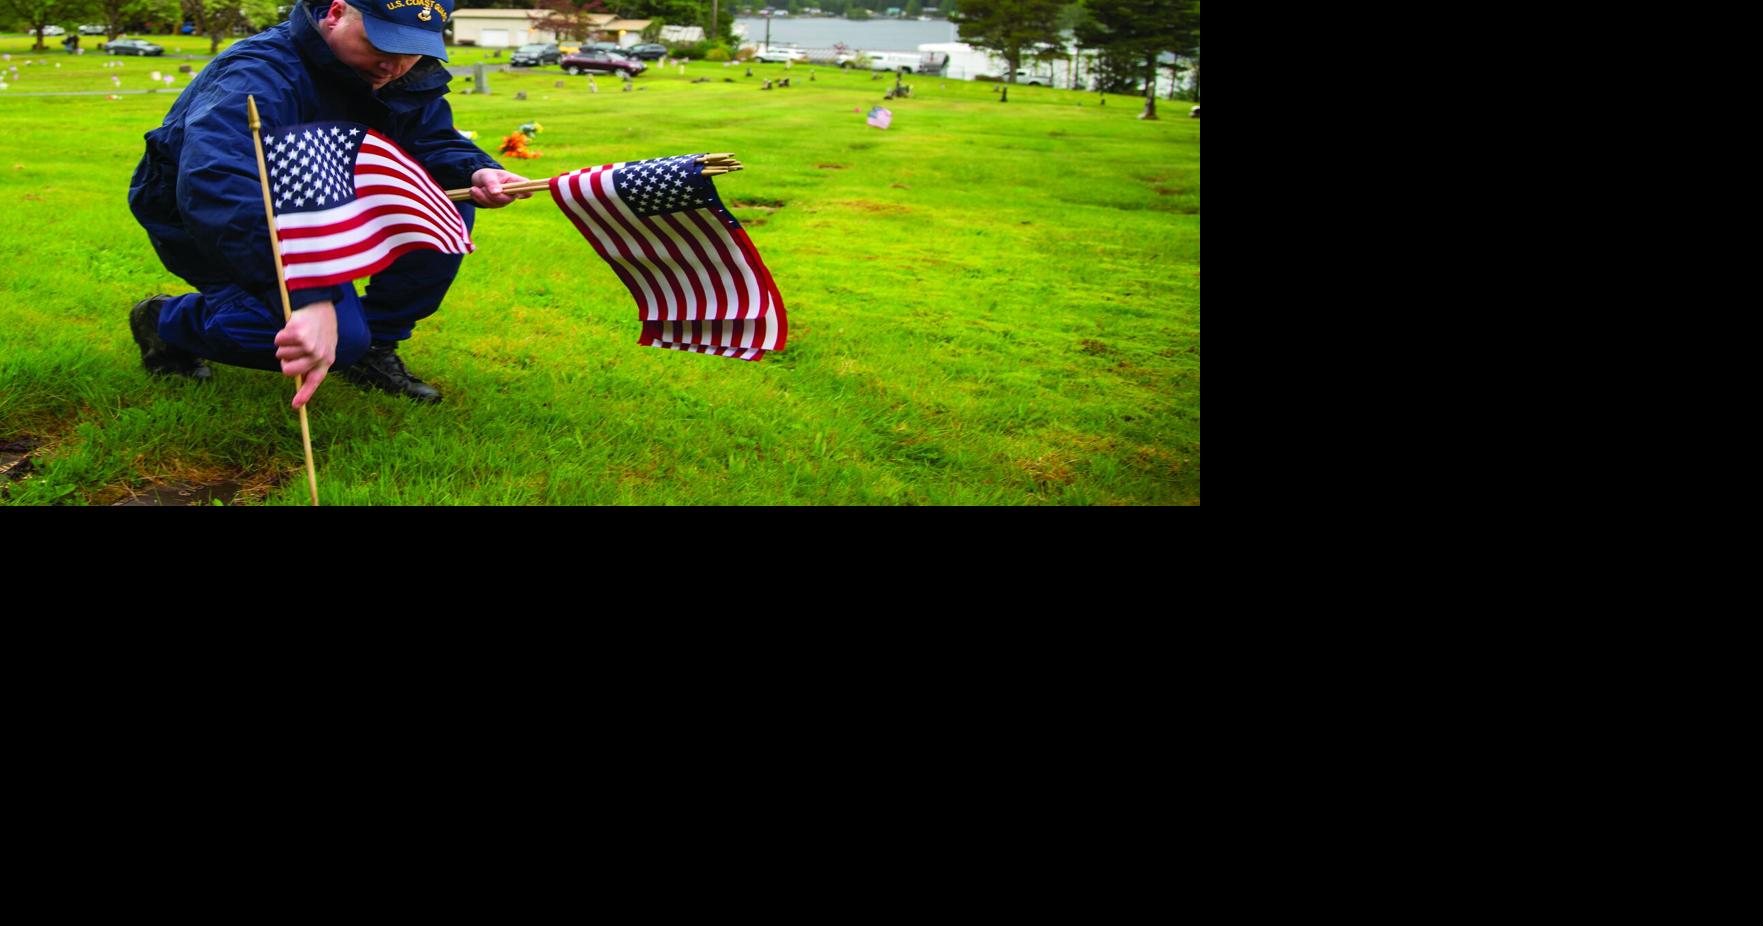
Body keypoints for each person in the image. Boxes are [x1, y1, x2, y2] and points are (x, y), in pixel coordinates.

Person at [128, 0, 531, 406]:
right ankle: (165, 323)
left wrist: (475, 170)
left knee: (442, 204)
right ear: (336, 13)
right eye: (383, 43)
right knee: (329, 334)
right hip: (209, 214)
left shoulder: (390, 71)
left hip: (319, 199)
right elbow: (217, 181)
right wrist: (306, 296)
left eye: (412, 49)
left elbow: (429, 137)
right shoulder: (258, 72)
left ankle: (374, 344)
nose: (394, 65)